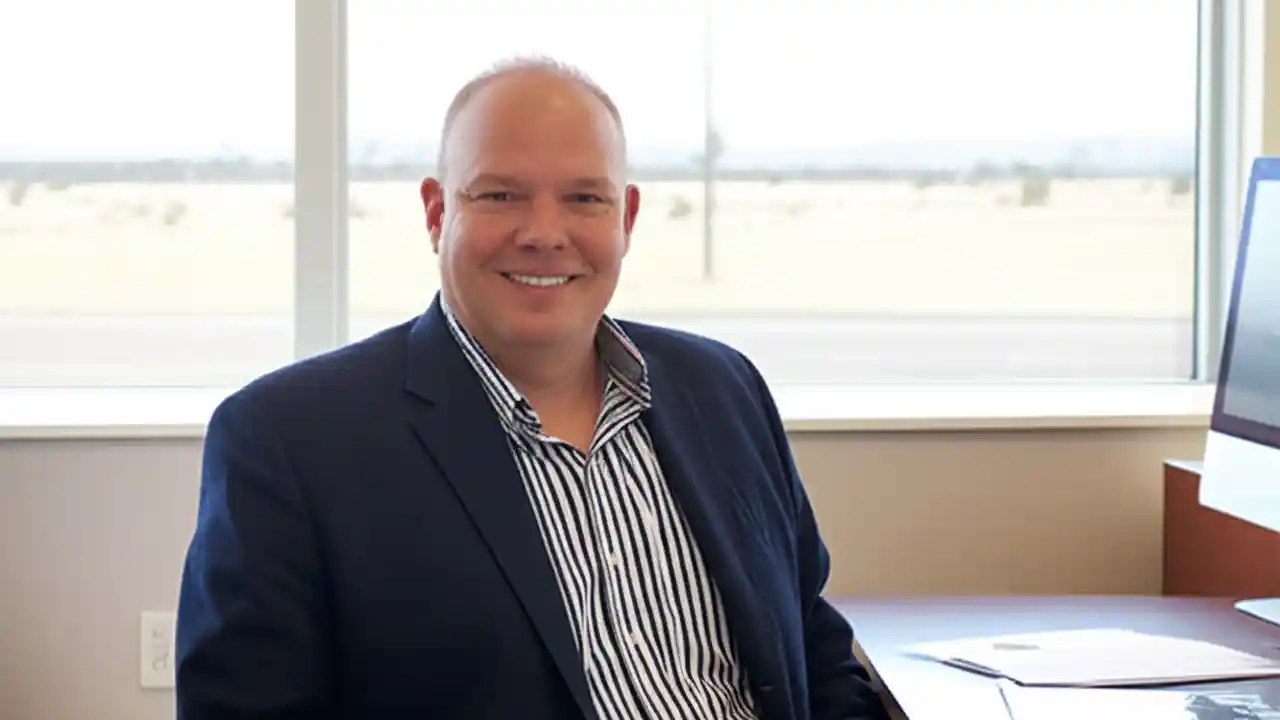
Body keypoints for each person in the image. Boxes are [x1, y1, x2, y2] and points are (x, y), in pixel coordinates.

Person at [175, 56, 886, 720]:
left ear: (626, 218)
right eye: (501, 194)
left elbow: (813, 646)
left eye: (585, 198)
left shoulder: (724, 388)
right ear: (435, 213)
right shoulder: (289, 441)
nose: (545, 233)